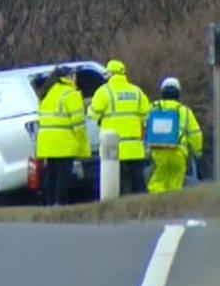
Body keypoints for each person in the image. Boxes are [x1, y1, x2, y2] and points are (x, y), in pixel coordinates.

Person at [88, 59, 151, 195]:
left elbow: (92, 113)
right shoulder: (137, 91)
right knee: (138, 183)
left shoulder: (104, 92)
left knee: (117, 186)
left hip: (114, 148)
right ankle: (144, 210)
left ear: (109, 74)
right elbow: (146, 116)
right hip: (135, 147)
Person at [36, 66, 91, 205]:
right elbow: (78, 123)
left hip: (46, 141)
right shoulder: (70, 94)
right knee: (63, 174)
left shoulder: (48, 93)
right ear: (69, 77)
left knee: (51, 173)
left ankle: (49, 203)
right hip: (63, 141)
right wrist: (83, 143)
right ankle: (61, 204)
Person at [147, 77, 202, 194]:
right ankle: (171, 208)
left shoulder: (153, 107)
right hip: (178, 152)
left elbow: (143, 125)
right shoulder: (185, 111)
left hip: (158, 152)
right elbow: (196, 134)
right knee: (175, 185)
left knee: (157, 182)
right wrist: (197, 152)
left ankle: (157, 206)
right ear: (178, 93)